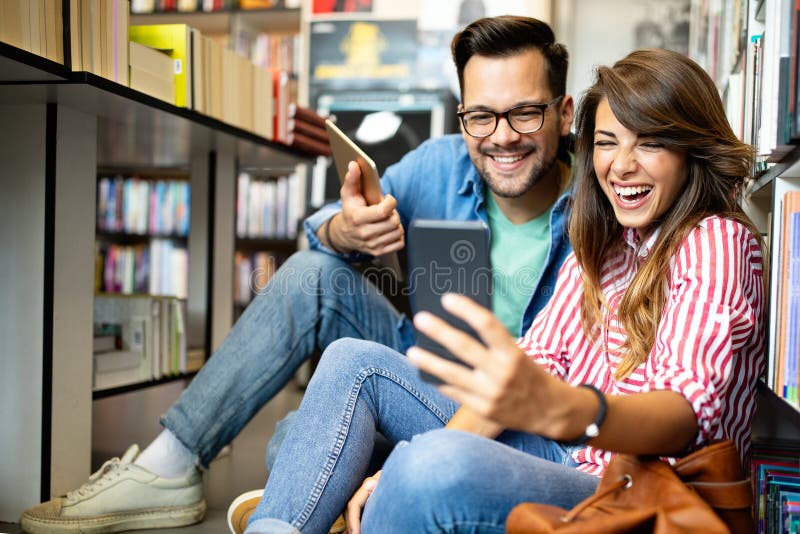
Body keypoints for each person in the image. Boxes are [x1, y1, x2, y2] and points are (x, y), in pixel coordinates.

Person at [19, 15, 575, 534]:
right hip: (422, 368)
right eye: (480, 115)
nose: (502, 136)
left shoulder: (601, 206)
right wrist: (348, 231)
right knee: (313, 274)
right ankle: (170, 465)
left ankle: (334, 483)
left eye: (525, 112)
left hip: (516, 413)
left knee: (298, 438)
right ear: (463, 114)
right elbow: (318, 233)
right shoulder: (439, 161)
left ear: (565, 113)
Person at [239, 47, 766, 534]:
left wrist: (571, 411)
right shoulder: (609, 245)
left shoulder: (714, 239)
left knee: (421, 463)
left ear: (692, 149)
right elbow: (527, 371)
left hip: (631, 485)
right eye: (606, 142)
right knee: (353, 363)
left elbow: (685, 415)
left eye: (650, 142)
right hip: (560, 452)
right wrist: (401, 468)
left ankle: (354, 487)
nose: (621, 165)